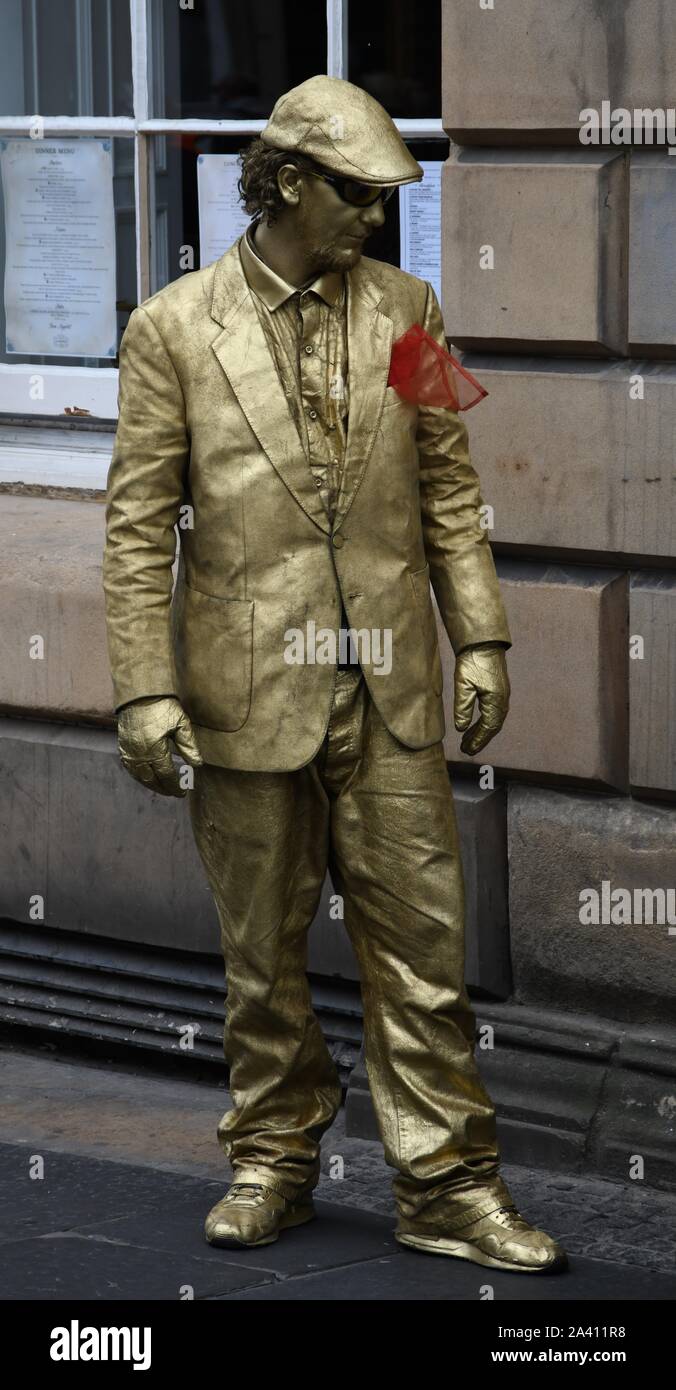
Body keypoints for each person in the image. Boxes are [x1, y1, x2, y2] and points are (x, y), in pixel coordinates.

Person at [103, 75, 567, 1274]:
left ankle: (448, 1185)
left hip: (389, 683)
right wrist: (143, 688)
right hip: (244, 688)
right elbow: (137, 528)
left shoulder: (409, 311)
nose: (375, 217)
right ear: (290, 183)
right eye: (358, 195)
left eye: (382, 198)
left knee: (423, 948)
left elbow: (451, 489)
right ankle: (273, 1160)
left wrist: (481, 636)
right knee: (261, 955)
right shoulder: (171, 329)